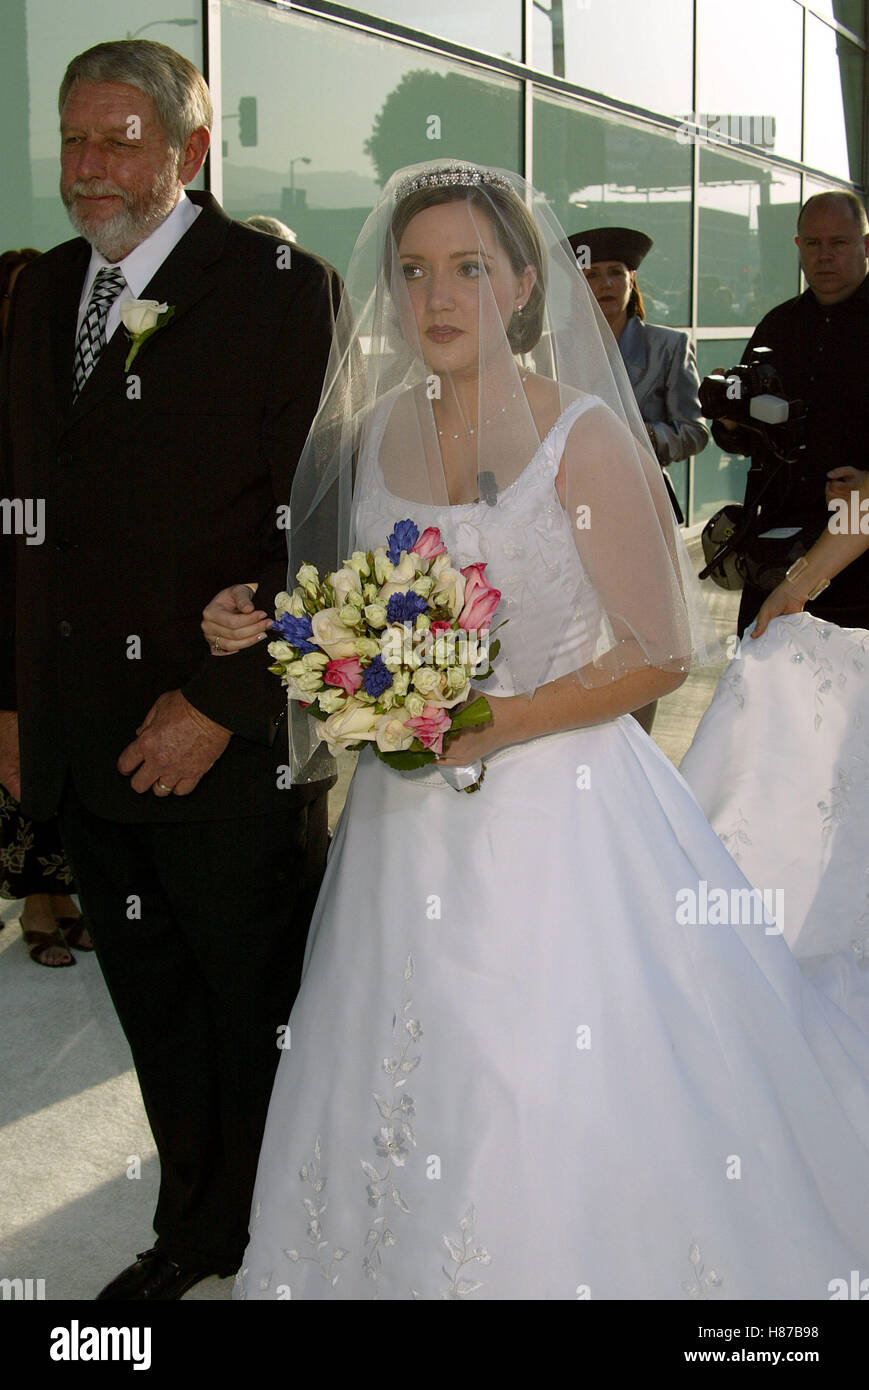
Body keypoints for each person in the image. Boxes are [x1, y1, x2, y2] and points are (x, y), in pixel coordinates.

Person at [200, 161, 869, 1301]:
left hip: (560, 816)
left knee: (537, 1072)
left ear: (520, 286)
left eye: (466, 268)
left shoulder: (583, 436)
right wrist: (270, 628)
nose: (434, 296)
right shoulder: (369, 439)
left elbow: (657, 651)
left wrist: (498, 721)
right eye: (412, 272)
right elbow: (355, 613)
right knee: (390, 1061)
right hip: (403, 824)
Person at [0, 39, 340, 1298]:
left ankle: (275, 1234)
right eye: (72, 138)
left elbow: (320, 523)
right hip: (82, 738)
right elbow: (19, 509)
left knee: (253, 1012)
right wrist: (13, 694)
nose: (86, 166)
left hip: (223, 746)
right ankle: (197, 1230)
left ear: (190, 151)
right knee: (149, 1002)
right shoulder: (40, 295)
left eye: (117, 140)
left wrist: (222, 704)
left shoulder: (277, 287)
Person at [567, 226, 708, 734]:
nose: (603, 284)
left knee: (642, 637)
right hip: (565, 515)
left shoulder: (668, 347)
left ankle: (634, 753)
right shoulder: (555, 349)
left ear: (631, 281)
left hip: (640, 514)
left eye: (613, 274)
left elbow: (694, 431)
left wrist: (646, 436)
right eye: (591, 274)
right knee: (582, 634)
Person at [712, 190, 869, 636]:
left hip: (857, 549)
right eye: (813, 244)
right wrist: (728, 417)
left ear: (865, 245)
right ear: (798, 248)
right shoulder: (776, 326)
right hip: (776, 544)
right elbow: (743, 440)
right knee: (765, 683)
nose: (824, 257)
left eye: (838, 243)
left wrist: (868, 482)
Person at [1, 248, 92, 966]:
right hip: (9, 627)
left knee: (67, 770)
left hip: (71, 627)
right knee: (19, 771)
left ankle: (71, 896)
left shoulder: (68, 385)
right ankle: (37, 904)